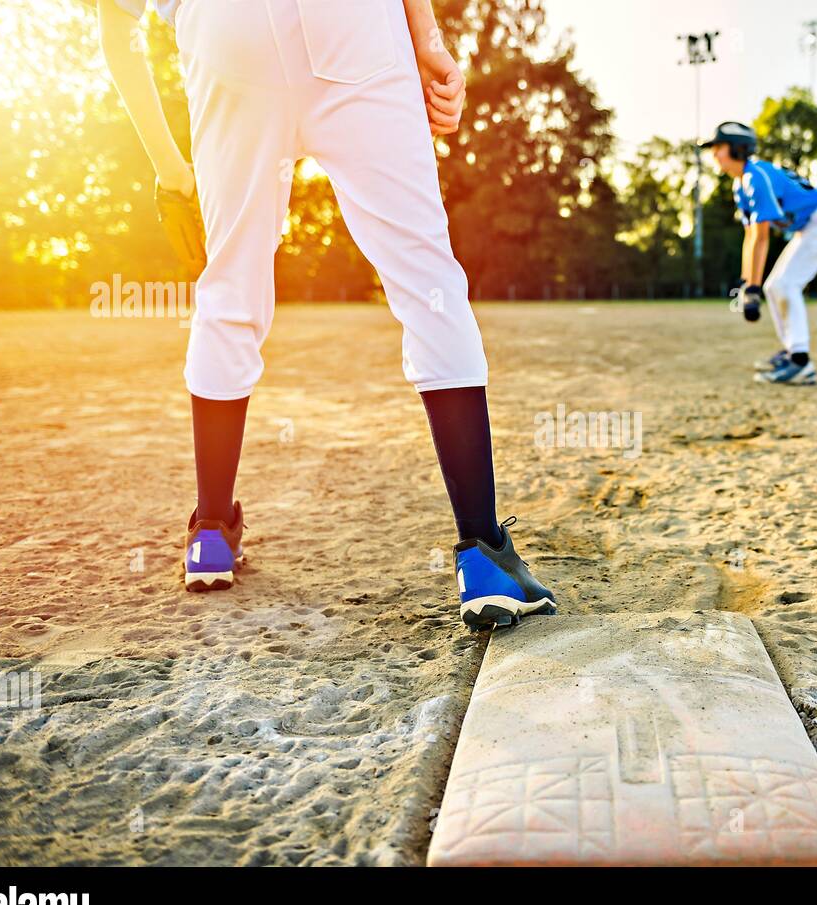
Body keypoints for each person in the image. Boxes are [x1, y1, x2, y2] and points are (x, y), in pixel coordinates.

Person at [96, 0, 554, 631]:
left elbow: (116, 24)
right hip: (354, 27)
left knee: (229, 283)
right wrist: (427, 37)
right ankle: (484, 557)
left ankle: (209, 535)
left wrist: (173, 173)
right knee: (427, 281)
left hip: (226, 32)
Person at [702, 121, 817, 386]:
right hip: (813, 225)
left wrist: (752, 289)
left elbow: (762, 237)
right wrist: (748, 282)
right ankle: (793, 352)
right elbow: (750, 236)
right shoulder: (741, 185)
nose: (714, 154)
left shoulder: (754, 178)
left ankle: (800, 362)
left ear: (737, 149)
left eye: (719, 147)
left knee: (785, 284)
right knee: (775, 286)